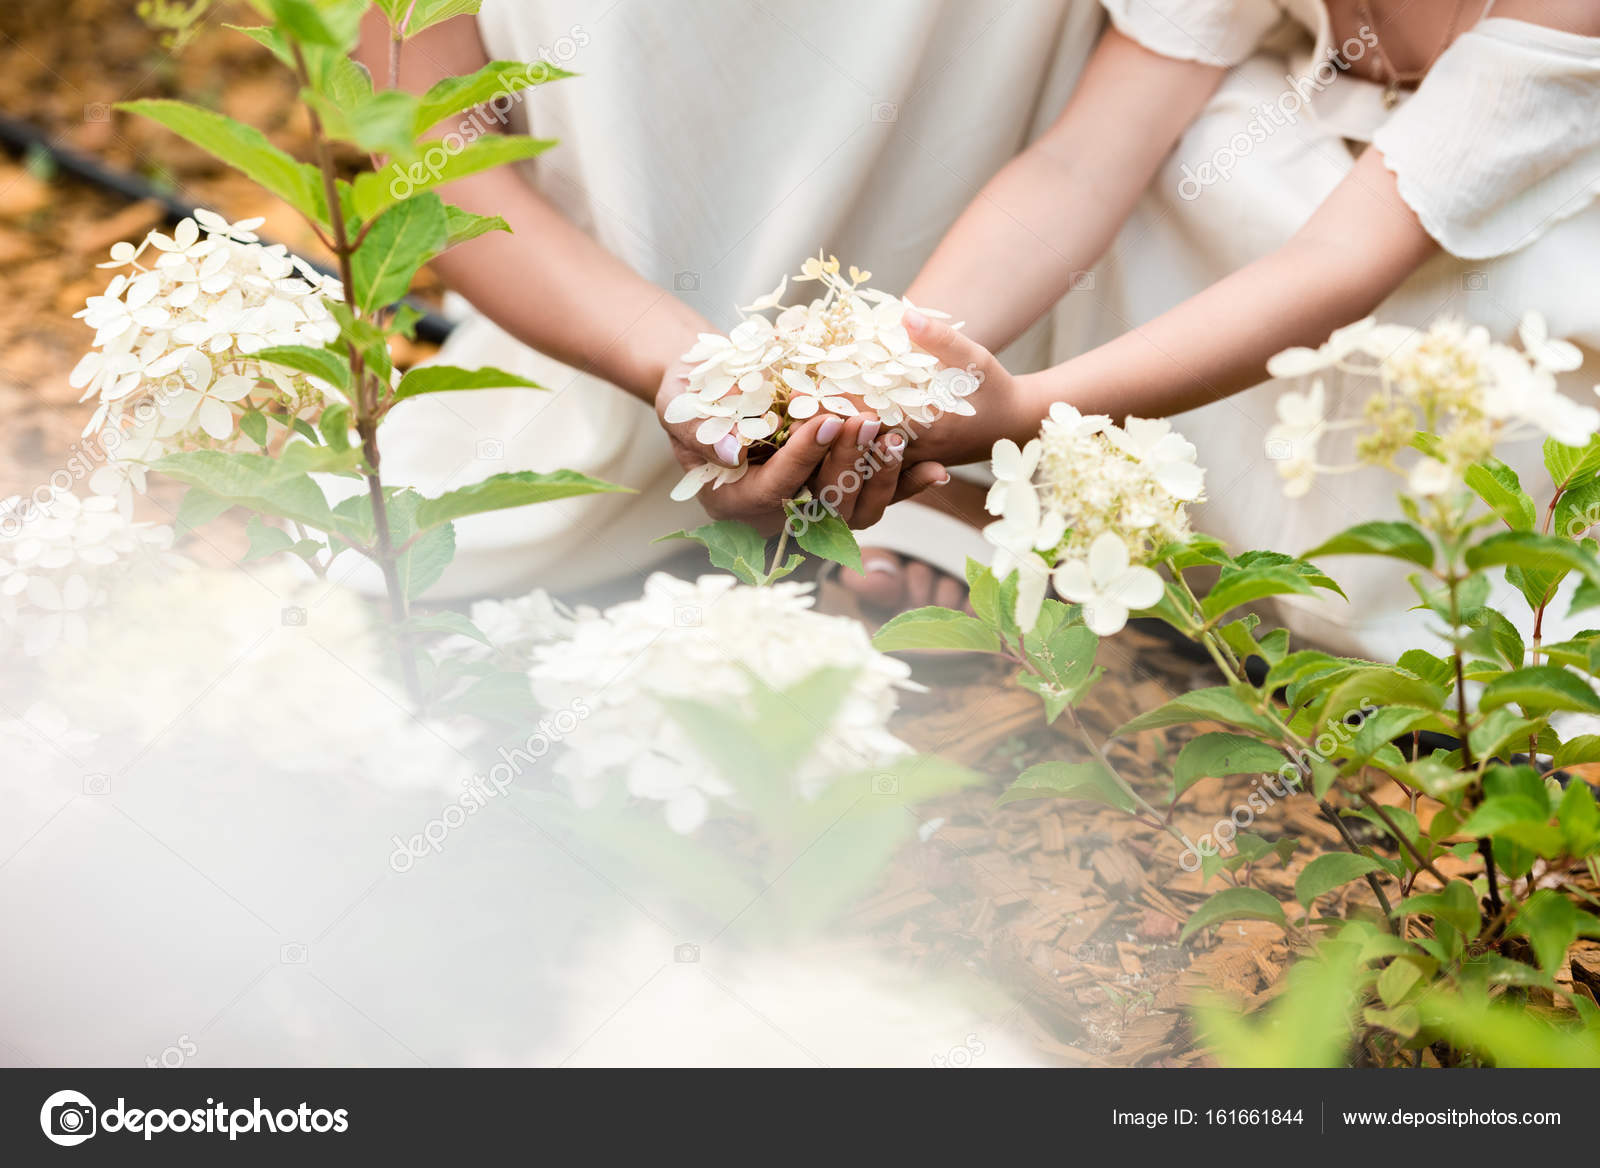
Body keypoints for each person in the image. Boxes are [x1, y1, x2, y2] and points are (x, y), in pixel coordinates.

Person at [816, 0, 1600, 655]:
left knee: (1480, 277)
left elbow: (1340, 261)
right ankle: (1135, 556)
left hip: (1504, 221)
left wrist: (1028, 412)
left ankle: (1440, 628)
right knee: (1210, 140)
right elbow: (1082, 161)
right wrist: (893, 370)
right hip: (1338, 186)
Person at [353, 0, 1106, 610]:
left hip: (1011, 249)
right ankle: (782, 417)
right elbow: (423, 122)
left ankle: (911, 434)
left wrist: (899, 376)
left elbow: (1088, 154)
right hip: (602, 293)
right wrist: (684, 365)